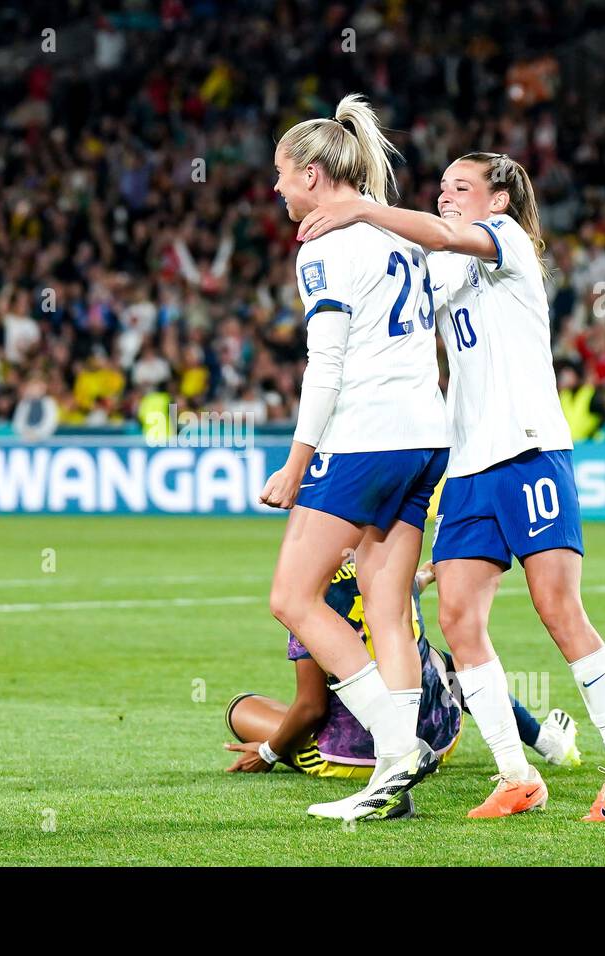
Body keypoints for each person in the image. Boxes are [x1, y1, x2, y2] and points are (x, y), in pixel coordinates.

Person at [297, 152, 605, 822]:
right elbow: (399, 278)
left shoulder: (506, 242)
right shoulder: (443, 263)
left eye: (461, 188)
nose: (445, 197)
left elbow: (438, 234)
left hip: (528, 452)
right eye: (441, 187)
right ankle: (517, 774)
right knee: (459, 618)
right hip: (466, 468)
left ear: (498, 201)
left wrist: (364, 206)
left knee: (557, 608)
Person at [260, 94, 451, 822]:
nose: (276, 188)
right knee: (388, 609)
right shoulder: (394, 233)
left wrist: (297, 460)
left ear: (311, 173)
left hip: (366, 435)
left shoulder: (325, 244)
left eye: (281, 174)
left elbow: (326, 364)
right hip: (424, 433)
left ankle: (393, 746)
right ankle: (392, 780)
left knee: (292, 597)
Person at [224, 560, 581, 805]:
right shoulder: (391, 566)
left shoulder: (308, 596)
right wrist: (426, 573)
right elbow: (409, 585)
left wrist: (269, 751)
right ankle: (544, 740)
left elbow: (312, 708)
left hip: (357, 758)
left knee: (242, 709)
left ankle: (364, 763)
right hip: (438, 738)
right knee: (452, 666)